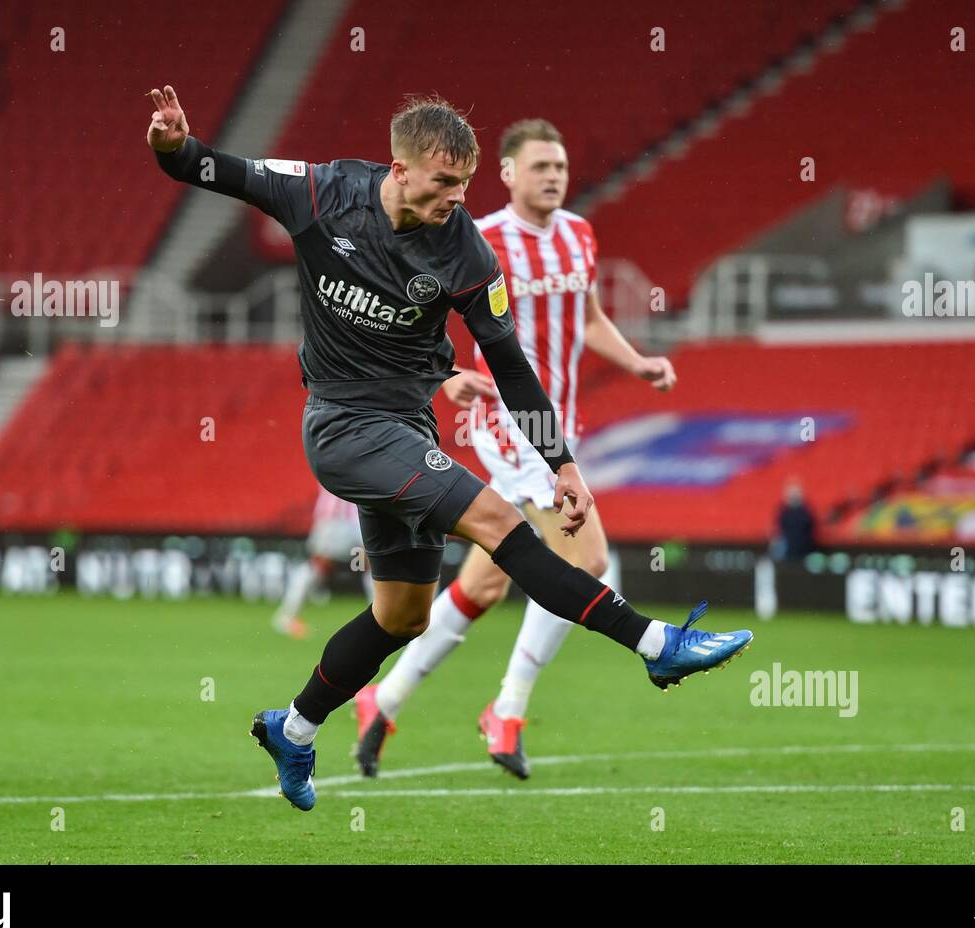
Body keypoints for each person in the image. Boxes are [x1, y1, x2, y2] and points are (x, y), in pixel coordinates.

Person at [148, 86, 754, 811]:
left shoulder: (465, 247)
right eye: (442, 183)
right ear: (399, 168)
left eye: (463, 186)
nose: (454, 199)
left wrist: (561, 462)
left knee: (403, 616)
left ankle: (296, 728)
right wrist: (173, 146)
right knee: (501, 523)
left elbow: (511, 364)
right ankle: (656, 645)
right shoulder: (322, 190)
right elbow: (217, 169)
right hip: (341, 426)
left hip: (408, 431)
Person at [355, 119, 679, 780]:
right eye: (539, 167)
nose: (553, 176)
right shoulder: (481, 238)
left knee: (488, 577)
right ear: (506, 174)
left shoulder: (581, 235)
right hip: (504, 421)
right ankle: (507, 708)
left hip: (558, 428)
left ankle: (381, 698)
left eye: (560, 166)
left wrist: (638, 361)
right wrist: (446, 376)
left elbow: (586, 319)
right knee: (587, 557)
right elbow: (416, 314)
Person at [272, 488, 372, 638]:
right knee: (320, 564)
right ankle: (287, 615)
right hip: (336, 519)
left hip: (353, 519)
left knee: (370, 564)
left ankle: (378, 617)